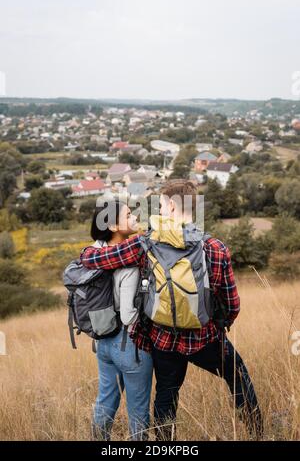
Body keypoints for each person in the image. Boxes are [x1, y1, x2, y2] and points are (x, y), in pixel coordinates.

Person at [81, 180, 263, 441]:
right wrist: (215, 325)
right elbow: (232, 304)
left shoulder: (145, 243)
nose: (159, 209)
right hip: (206, 338)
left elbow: (97, 259)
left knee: (166, 394)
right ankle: (257, 432)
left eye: (162, 205)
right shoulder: (215, 248)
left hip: (163, 340)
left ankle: (165, 443)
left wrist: (88, 251)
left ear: (172, 206)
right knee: (237, 376)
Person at [89, 200, 153, 441]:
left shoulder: (95, 252)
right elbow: (127, 315)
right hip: (129, 345)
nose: (135, 217)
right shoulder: (128, 262)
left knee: (105, 401)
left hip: (102, 342)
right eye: (129, 214)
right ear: (114, 225)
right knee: (138, 410)